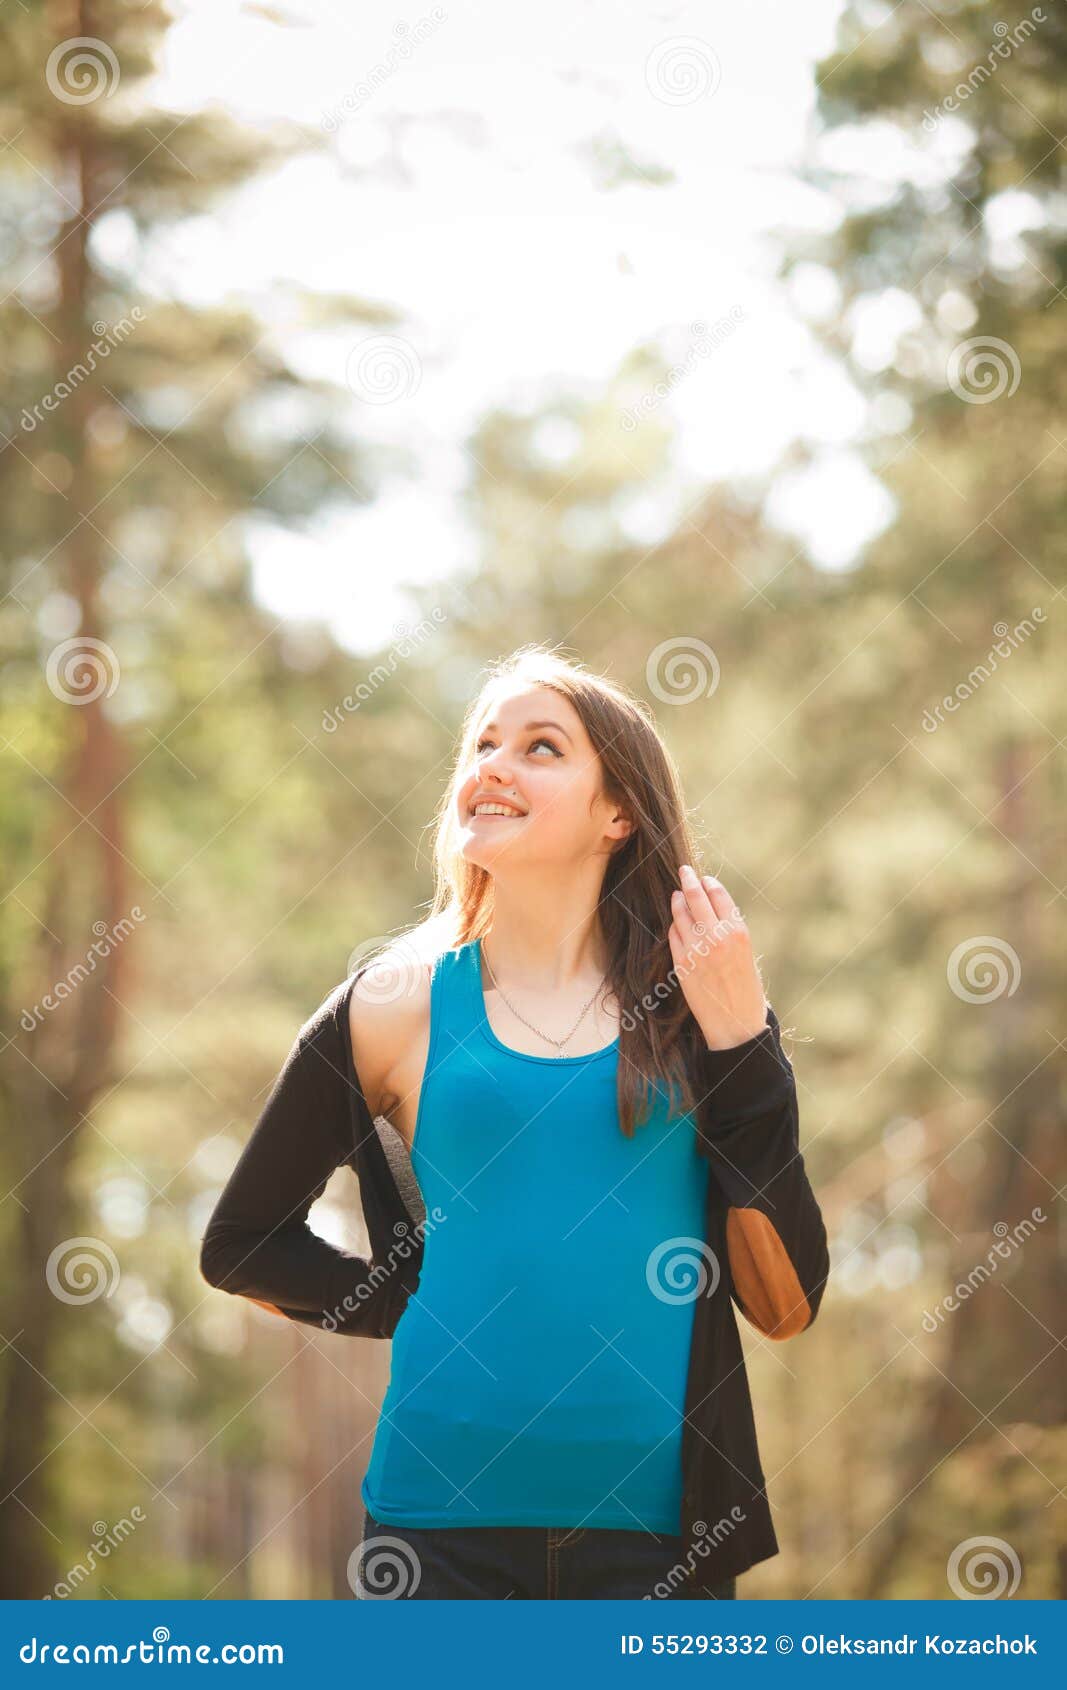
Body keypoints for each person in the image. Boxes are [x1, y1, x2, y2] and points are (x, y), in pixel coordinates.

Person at [200, 645, 829, 1600]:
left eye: (540, 746)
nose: (492, 765)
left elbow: (786, 1303)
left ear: (618, 813)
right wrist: (404, 1303)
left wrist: (743, 1039)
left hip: (661, 1544)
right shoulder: (393, 1004)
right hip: (429, 1530)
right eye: (481, 743)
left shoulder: (700, 1007)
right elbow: (243, 1244)